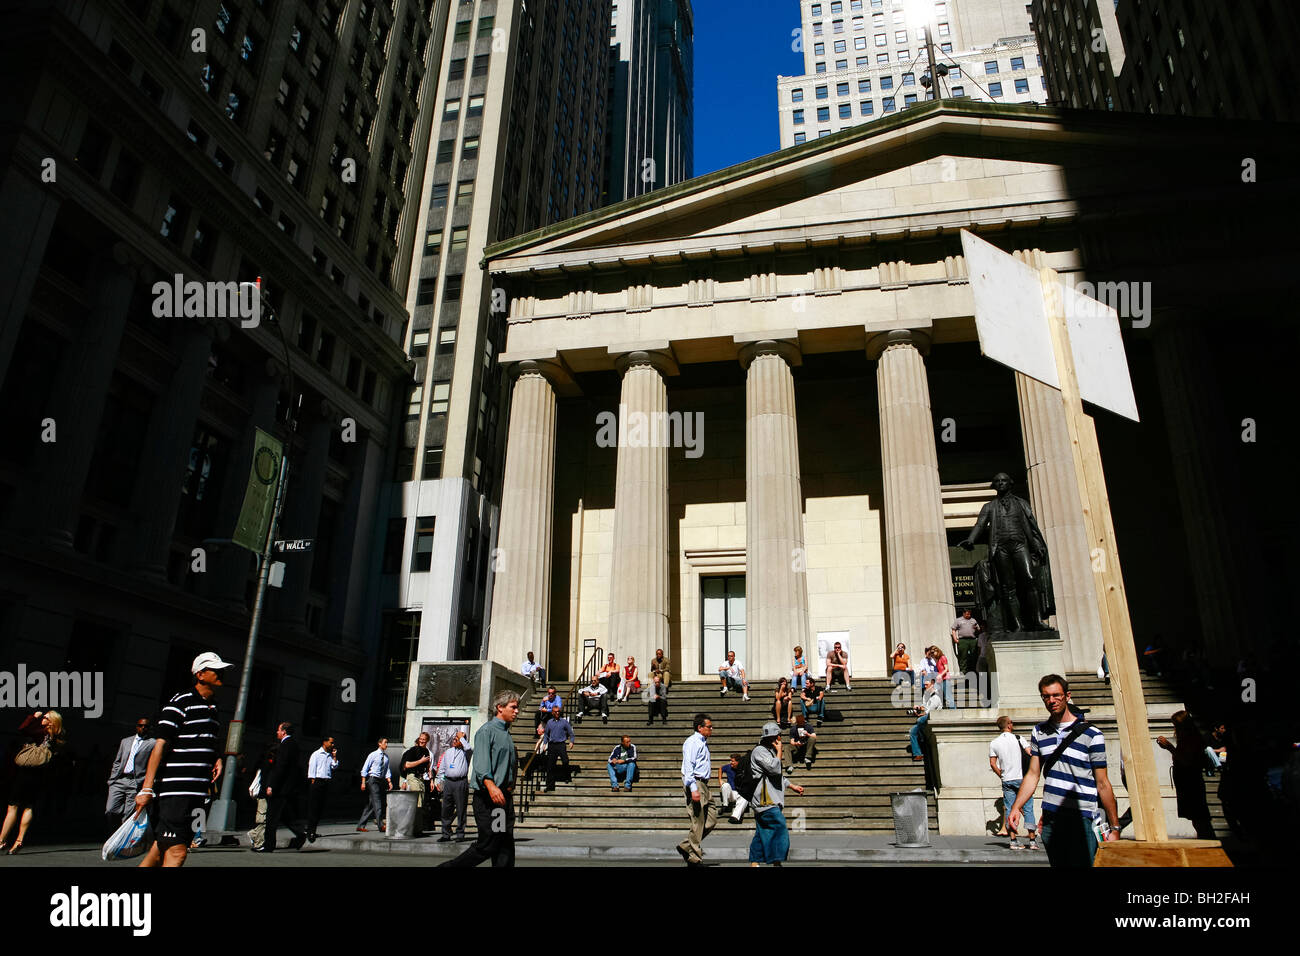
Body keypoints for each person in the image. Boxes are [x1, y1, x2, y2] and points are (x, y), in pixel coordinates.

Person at [1009, 674, 1121, 867]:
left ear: (1067, 696)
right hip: (1052, 816)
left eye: (1056, 695)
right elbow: (1033, 774)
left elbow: (1103, 783)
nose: (1051, 701)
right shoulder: (1039, 732)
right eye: (1046, 696)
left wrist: (1115, 827)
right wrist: (1016, 807)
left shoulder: (1092, 735)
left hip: (1083, 816)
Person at [135, 652, 233, 866]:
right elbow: (160, 745)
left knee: (161, 849)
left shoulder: (213, 707)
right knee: (177, 852)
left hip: (197, 793)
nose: (221, 674)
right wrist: (146, 789)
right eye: (215, 670)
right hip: (176, 791)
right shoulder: (180, 702)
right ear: (200, 674)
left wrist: (216, 758)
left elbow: (205, 740)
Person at [441, 691, 520, 868]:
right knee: (489, 843)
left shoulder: (506, 733)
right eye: (513, 707)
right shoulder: (486, 731)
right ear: (500, 708)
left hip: (502, 799)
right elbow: (481, 763)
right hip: (489, 798)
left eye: (517, 708)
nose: (517, 711)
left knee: (504, 843)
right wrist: (491, 785)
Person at [1, 710, 67, 855]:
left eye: (45, 717)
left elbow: (23, 729)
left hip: (25, 774)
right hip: (39, 776)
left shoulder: (41, 733)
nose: (42, 718)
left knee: (13, 807)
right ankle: (19, 840)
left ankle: (1, 841)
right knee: (28, 807)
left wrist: (34, 717)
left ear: (50, 722)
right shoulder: (56, 737)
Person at [748, 721, 805, 867]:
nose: (780, 738)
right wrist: (780, 751)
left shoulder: (769, 751)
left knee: (761, 832)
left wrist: (792, 786)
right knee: (779, 827)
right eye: (779, 735)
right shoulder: (759, 751)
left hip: (769, 798)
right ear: (773, 737)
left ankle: (756, 862)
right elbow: (774, 769)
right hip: (765, 800)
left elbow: (778, 776)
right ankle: (776, 860)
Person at [1158, 710, 1215, 839]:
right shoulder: (1186, 739)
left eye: (1176, 725)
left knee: (1200, 819)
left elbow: (1187, 761)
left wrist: (1170, 748)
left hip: (1191, 784)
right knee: (1197, 819)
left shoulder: (1193, 740)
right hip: (1186, 783)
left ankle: (1209, 843)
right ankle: (1206, 841)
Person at [258, 720, 308, 853]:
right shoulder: (294, 745)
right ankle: (300, 834)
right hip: (288, 787)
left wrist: (271, 785)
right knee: (284, 815)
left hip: (280, 788)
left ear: (284, 731)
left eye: (279, 730)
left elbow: (281, 767)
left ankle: (268, 845)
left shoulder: (285, 745)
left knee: (271, 818)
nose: (277, 732)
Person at [989, 716, 1037, 850]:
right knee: (1028, 808)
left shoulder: (994, 742)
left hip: (1007, 780)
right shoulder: (1019, 738)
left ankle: (1013, 841)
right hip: (1022, 778)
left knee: (1010, 809)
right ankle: (1032, 840)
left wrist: (1002, 775)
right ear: (1009, 725)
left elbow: (993, 764)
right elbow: (1031, 754)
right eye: (1012, 722)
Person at [677, 713, 717, 866]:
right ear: (700, 728)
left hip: (704, 784)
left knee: (711, 818)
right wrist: (693, 788)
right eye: (709, 727)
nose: (711, 729)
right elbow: (688, 766)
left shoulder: (702, 742)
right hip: (696, 783)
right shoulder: (692, 742)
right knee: (698, 819)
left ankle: (686, 846)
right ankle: (694, 856)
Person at [105, 717, 154, 829]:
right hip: (119, 780)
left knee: (129, 814)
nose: (143, 728)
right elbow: (118, 761)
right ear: (136, 727)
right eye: (141, 726)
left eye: (146, 726)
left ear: (149, 728)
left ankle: (122, 838)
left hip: (135, 782)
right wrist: (112, 779)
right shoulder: (125, 741)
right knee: (110, 810)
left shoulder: (152, 743)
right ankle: (113, 830)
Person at [436, 729, 472, 842]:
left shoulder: (466, 752)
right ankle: (446, 833)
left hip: (460, 782)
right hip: (449, 782)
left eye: (457, 739)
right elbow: (442, 768)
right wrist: (439, 781)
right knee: (446, 808)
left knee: (461, 809)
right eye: (454, 739)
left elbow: (469, 748)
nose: (454, 741)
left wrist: (462, 737)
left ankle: (460, 834)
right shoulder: (448, 752)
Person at [306, 735, 338, 842]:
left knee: (320, 808)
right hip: (317, 782)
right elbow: (312, 769)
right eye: (331, 742)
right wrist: (313, 782)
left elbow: (334, 766)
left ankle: (313, 830)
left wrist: (334, 756)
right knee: (313, 807)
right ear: (324, 742)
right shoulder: (316, 754)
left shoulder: (329, 755)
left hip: (326, 782)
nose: (332, 745)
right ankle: (310, 831)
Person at [248, 738, 277, 850]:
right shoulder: (267, 763)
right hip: (263, 794)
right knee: (262, 819)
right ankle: (258, 843)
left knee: (263, 818)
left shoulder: (264, 762)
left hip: (263, 794)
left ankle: (254, 835)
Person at [357, 738, 391, 832]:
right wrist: (363, 782)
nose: (386, 745)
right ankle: (381, 825)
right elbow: (365, 768)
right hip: (373, 780)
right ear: (379, 744)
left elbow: (387, 769)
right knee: (377, 802)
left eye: (387, 743)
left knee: (371, 804)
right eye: (385, 743)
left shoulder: (386, 756)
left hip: (380, 781)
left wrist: (389, 781)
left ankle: (360, 825)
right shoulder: (373, 755)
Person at [401, 732, 433, 826]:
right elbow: (406, 765)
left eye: (424, 739)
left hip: (421, 778)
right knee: (417, 802)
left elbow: (427, 765)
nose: (422, 741)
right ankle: (413, 827)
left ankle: (418, 827)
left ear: (427, 741)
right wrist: (420, 761)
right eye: (420, 739)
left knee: (421, 803)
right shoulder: (413, 750)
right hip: (413, 776)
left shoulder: (426, 751)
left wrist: (429, 772)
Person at [908, 677, 942, 761]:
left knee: (919, 720)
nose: (925, 686)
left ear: (932, 684)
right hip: (926, 716)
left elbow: (930, 711)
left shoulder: (937, 696)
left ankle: (923, 737)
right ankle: (918, 754)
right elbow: (925, 706)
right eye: (925, 684)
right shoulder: (926, 694)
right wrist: (918, 707)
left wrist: (921, 714)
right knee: (912, 731)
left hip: (934, 716)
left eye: (927, 684)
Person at [542, 708, 574, 791]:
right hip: (552, 745)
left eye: (558, 711)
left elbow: (571, 732)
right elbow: (546, 734)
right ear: (552, 713)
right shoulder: (549, 722)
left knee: (565, 761)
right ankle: (550, 786)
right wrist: (545, 743)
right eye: (555, 712)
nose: (557, 713)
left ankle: (567, 776)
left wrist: (571, 741)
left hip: (561, 744)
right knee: (550, 765)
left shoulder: (564, 722)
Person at [951, 609, 980, 675]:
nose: (968, 615)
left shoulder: (973, 620)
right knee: (963, 656)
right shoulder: (958, 620)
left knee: (974, 655)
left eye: (969, 614)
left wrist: (977, 628)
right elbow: (953, 629)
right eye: (967, 614)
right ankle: (963, 671)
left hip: (972, 640)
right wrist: (955, 639)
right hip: (963, 640)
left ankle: (973, 670)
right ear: (963, 613)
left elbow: (978, 629)